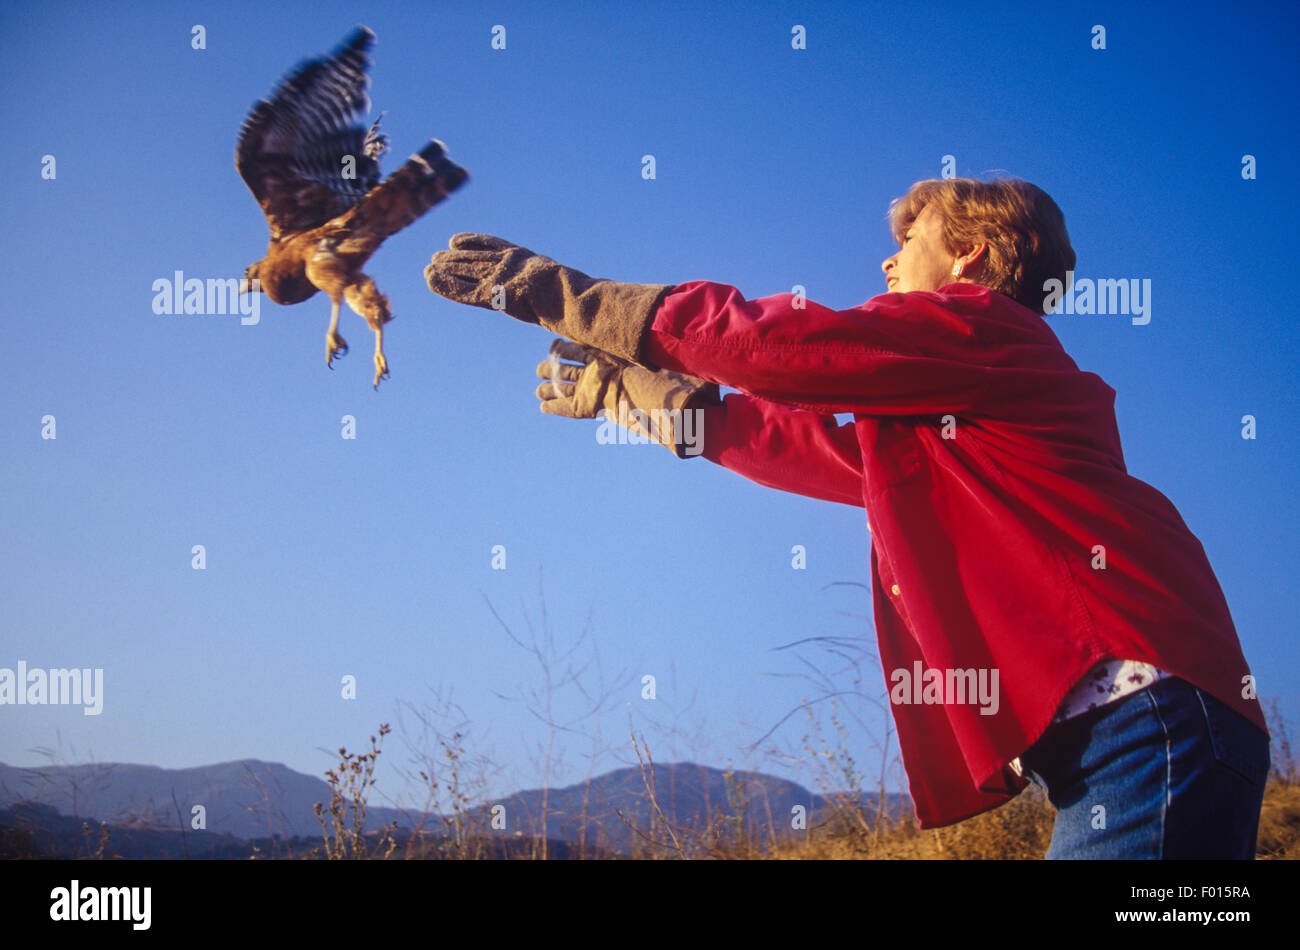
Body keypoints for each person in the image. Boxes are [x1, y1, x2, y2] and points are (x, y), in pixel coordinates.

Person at [424, 176, 1272, 859]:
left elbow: (790, 350)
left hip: (1145, 715)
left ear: (972, 255)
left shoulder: (978, 327)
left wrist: (579, 300)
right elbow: (810, 450)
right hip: (1156, 729)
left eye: (909, 239)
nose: (887, 261)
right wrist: (633, 394)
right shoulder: (957, 407)